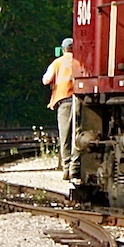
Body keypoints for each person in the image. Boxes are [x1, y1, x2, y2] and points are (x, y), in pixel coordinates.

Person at [42, 37, 80, 181]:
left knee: (64, 136)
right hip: (79, 101)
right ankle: (75, 168)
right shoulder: (79, 60)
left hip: (64, 101)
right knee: (77, 134)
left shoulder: (57, 63)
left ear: (63, 49)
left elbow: (46, 80)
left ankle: (66, 168)